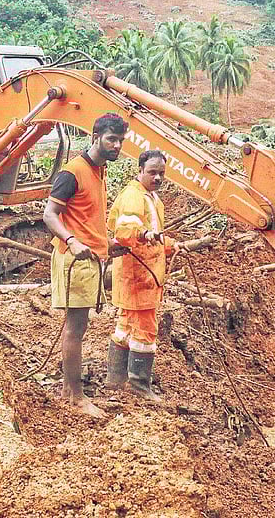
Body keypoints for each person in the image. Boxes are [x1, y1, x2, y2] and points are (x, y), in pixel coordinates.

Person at [44, 112, 129, 418]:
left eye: (120, 140)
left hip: (92, 258)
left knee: (78, 327)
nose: (117, 145)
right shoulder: (74, 172)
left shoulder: (100, 170)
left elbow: (86, 216)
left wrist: (107, 245)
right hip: (75, 259)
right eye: (111, 139)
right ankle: (73, 395)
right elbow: (49, 214)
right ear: (95, 138)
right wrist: (72, 241)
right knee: (75, 328)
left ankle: (72, 389)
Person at [105, 149, 181, 401]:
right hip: (138, 275)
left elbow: (153, 235)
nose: (158, 177)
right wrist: (143, 235)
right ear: (140, 170)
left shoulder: (153, 198)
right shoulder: (133, 197)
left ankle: (116, 380)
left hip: (145, 274)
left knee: (126, 325)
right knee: (145, 328)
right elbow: (126, 231)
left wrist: (169, 244)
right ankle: (139, 385)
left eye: (161, 173)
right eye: (152, 172)